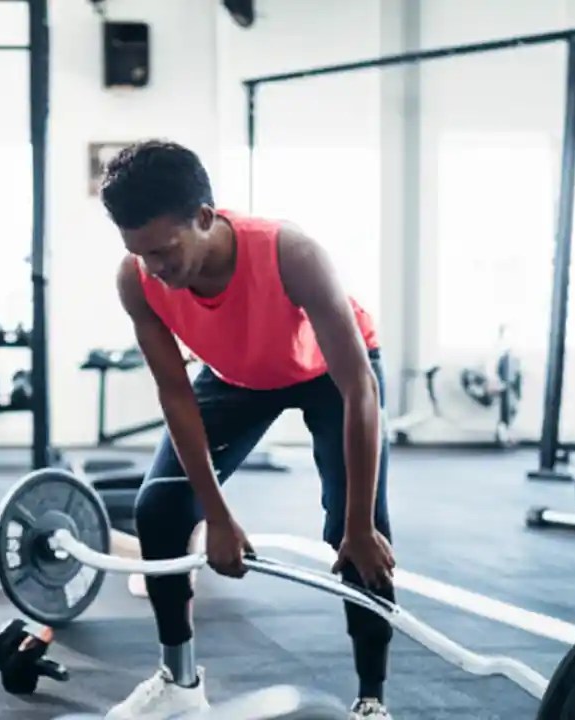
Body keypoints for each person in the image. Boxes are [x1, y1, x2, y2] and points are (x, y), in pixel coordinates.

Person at [98, 139, 397, 720]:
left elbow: (359, 385)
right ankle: (178, 680)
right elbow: (176, 395)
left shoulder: (292, 253)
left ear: (205, 219)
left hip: (326, 373)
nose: (156, 269)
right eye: (141, 254)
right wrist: (215, 514)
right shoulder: (138, 280)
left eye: (164, 250)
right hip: (236, 373)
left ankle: (371, 699)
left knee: (358, 533)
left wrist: (359, 525)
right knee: (159, 510)